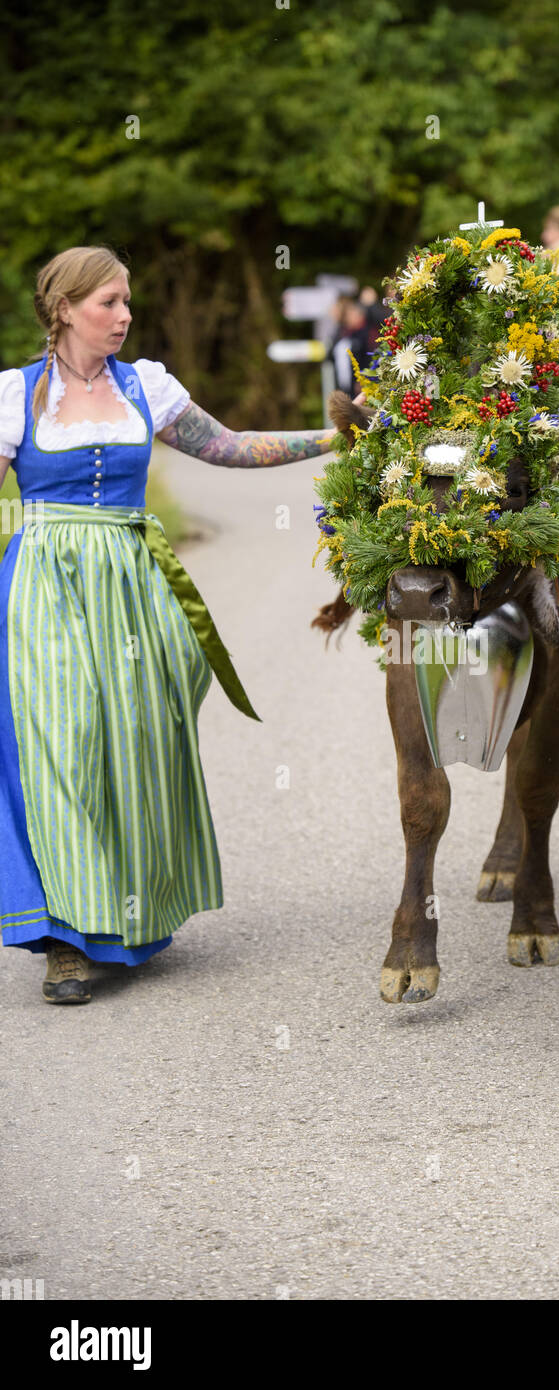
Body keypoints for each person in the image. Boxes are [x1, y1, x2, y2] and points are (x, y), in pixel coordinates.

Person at [0, 245, 337, 1004]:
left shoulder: (144, 386)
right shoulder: (13, 396)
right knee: (64, 743)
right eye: (107, 304)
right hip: (42, 583)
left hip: (133, 580)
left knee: (136, 741)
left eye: (127, 303)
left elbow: (233, 449)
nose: (123, 317)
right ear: (63, 310)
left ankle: (125, 915)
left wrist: (338, 435)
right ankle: (62, 943)